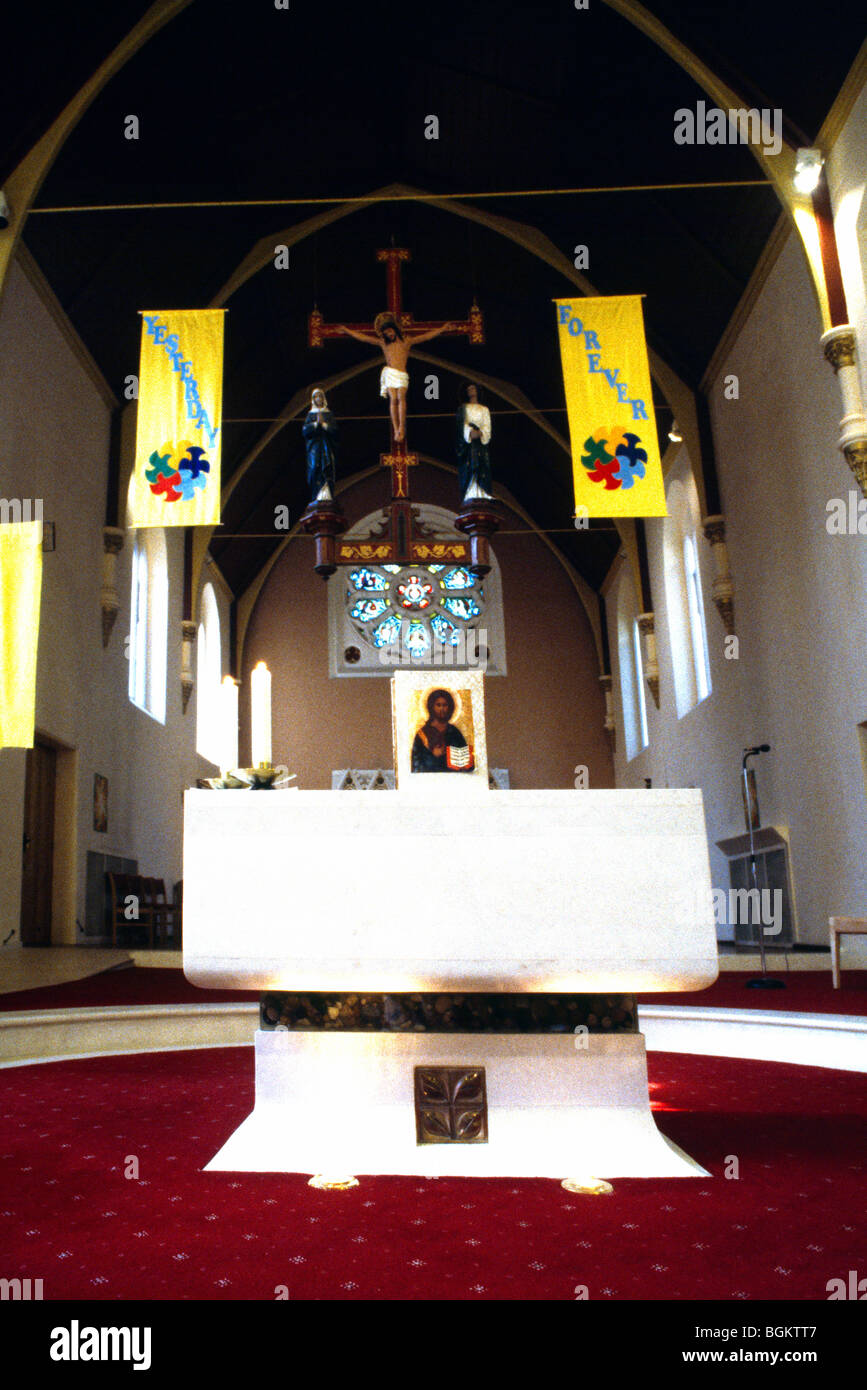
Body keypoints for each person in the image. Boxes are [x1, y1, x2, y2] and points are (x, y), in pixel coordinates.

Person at [338, 313, 457, 442]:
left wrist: (442, 329)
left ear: (395, 328)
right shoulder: (383, 343)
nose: (389, 334)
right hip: (390, 374)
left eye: (390, 330)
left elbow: (426, 336)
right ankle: (396, 429)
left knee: (401, 398)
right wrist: (347, 331)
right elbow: (364, 338)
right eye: (385, 332)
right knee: (393, 399)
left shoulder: (407, 341)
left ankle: (402, 427)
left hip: (401, 374)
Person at [411, 688, 475, 773]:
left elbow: (464, 756)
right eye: (438, 705)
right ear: (431, 707)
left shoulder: (454, 732)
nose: (442, 709)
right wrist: (433, 756)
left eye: (445, 705)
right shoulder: (423, 733)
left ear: (450, 707)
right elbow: (416, 763)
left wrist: (466, 763)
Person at [456, 381, 493, 501]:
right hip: (469, 442)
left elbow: (487, 425)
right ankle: (470, 491)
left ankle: (482, 491)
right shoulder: (463, 408)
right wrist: (470, 432)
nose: (471, 391)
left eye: (473, 389)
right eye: (469, 389)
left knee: (482, 466)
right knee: (470, 465)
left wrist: (481, 433)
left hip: (480, 443)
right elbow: (461, 424)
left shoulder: (484, 409)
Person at [302, 388, 339, 503]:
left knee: (327, 468)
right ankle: (316, 495)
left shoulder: (328, 414)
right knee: (314, 468)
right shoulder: (310, 415)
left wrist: (323, 425)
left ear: (323, 399)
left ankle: (327, 494)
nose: (319, 399)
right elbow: (305, 431)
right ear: (313, 399)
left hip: (326, 447)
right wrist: (315, 424)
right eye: (316, 396)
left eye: (320, 396)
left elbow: (334, 430)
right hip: (315, 449)